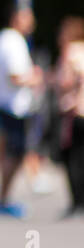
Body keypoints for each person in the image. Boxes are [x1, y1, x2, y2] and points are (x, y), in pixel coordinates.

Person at [0, 6, 43, 218]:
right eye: (28, 18)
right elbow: (15, 76)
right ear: (17, 19)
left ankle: (0, 194)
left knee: (8, 148)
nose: (32, 22)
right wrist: (35, 78)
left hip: (5, 103)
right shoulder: (13, 41)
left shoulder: (1, 40)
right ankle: (3, 198)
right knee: (15, 152)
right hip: (14, 106)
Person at [51, 16, 84, 217]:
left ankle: (77, 201)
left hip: (73, 111)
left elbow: (67, 80)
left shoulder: (70, 52)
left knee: (71, 157)